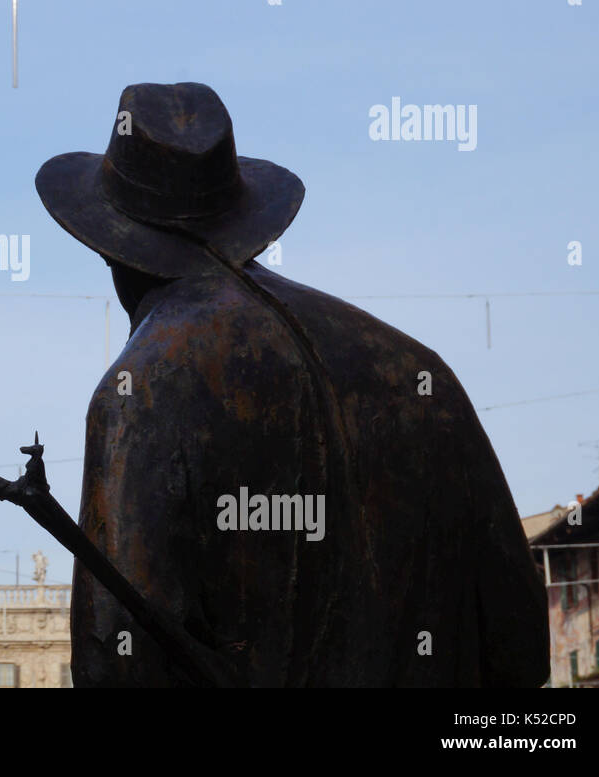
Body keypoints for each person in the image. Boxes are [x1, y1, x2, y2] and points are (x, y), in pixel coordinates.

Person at [35, 82, 548, 686]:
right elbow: (520, 647)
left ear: (109, 250)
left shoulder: (142, 391)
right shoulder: (414, 370)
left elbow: (115, 661)